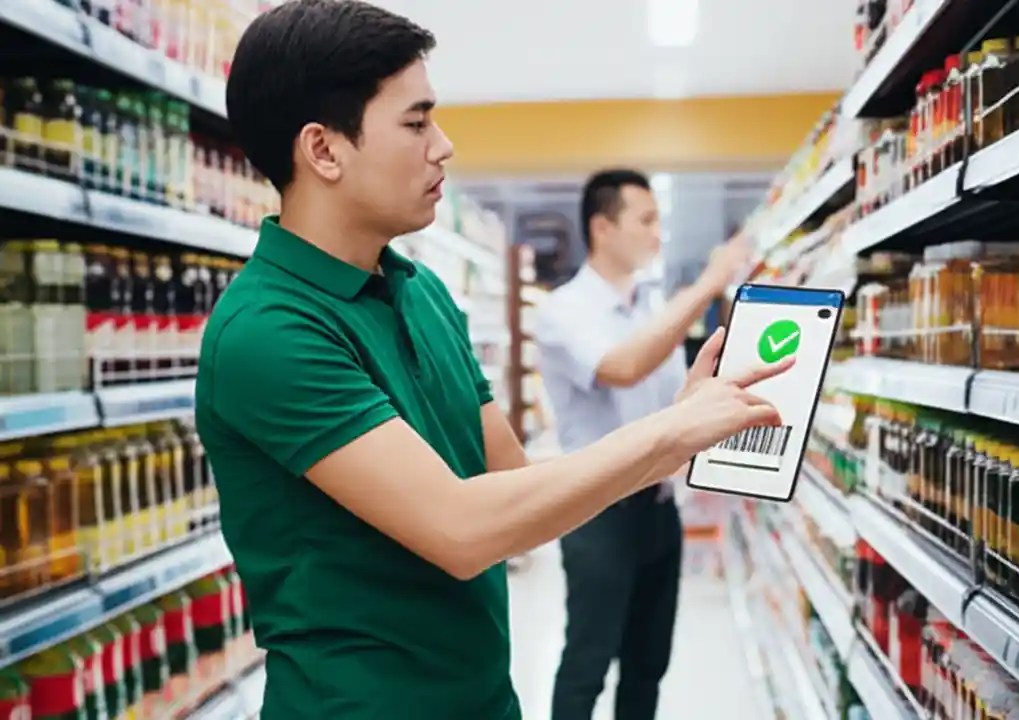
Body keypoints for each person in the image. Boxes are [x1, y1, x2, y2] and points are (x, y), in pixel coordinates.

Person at [195, 1, 789, 718]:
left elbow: (517, 486)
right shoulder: (268, 330)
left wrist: (684, 432)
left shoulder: (421, 292)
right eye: (416, 123)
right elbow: (462, 529)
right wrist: (670, 433)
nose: (443, 146)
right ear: (323, 150)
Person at [535, 171, 752, 720]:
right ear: (602, 227)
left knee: (647, 666)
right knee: (587, 662)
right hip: (596, 516)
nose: (658, 232)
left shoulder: (647, 310)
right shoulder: (564, 311)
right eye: (646, 219)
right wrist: (707, 285)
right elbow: (622, 367)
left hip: (658, 512)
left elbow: (673, 408)